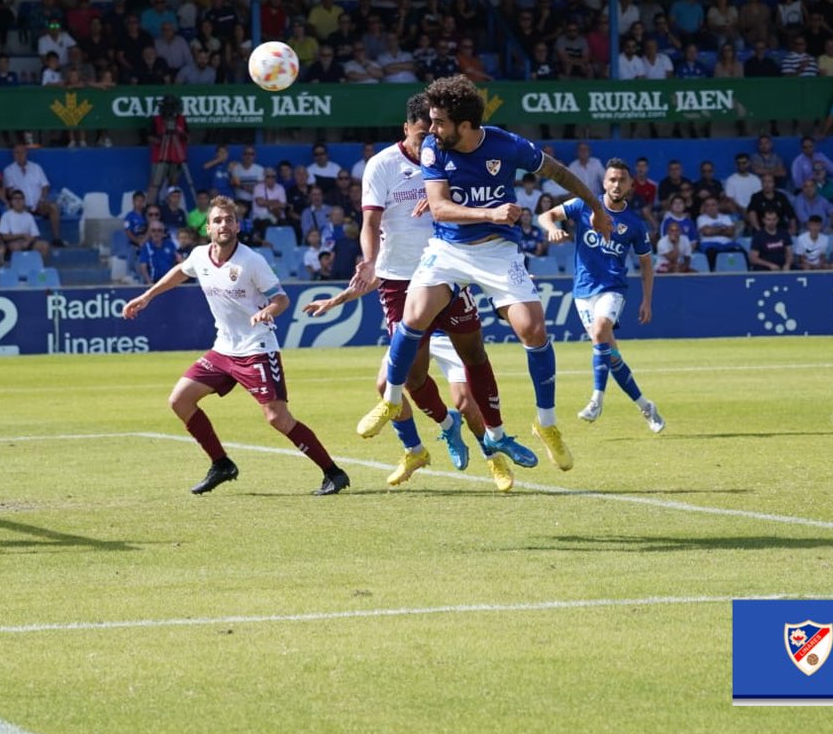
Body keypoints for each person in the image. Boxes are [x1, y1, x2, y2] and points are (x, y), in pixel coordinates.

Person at [355, 76, 610, 472]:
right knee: (414, 317)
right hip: (448, 249)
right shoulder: (432, 151)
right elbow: (439, 209)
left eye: (439, 122)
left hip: (497, 251)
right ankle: (390, 399)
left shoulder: (506, 145)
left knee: (534, 331)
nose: (432, 130)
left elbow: (558, 173)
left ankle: (547, 426)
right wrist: (490, 212)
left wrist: (595, 205)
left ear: (465, 124)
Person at [302, 94, 526, 490]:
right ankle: (434, 434)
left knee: (466, 396)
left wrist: (440, 196)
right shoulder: (382, 165)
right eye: (422, 134)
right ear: (406, 128)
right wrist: (368, 262)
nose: (429, 142)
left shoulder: (447, 155)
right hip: (399, 283)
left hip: (449, 273)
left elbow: (469, 196)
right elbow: (369, 223)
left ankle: (493, 456)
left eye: (434, 133)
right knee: (403, 377)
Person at [121, 197, 349, 496]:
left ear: (238, 226)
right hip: (224, 349)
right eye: (217, 220)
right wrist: (146, 296)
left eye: (229, 220)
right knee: (180, 400)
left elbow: (281, 298)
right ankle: (221, 464)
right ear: (208, 227)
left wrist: (268, 310)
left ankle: (333, 473)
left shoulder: (252, 261)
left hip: (257, 347)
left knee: (277, 417)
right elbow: (180, 272)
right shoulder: (200, 256)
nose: (223, 225)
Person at [540, 159, 666, 433]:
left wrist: (647, 300)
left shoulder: (634, 224)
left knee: (600, 332)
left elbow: (646, 263)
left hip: (612, 289)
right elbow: (545, 215)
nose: (616, 184)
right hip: (583, 292)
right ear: (604, 182)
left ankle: (596, 400)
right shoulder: (583, 205)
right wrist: (552, 229)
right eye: (612, 179)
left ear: (631, 185)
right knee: (611, 356)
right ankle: (646, 406)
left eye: (622, 180)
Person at [2, 143, 63, 246]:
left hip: (38, 205)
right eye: (17, 152)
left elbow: (45, 186)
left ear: (27, 153)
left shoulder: (36, 168)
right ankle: (26, 243)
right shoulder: (9, 170)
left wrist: (42, 199)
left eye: (22, 152)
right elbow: (11, 191)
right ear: (13, 154)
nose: (20, 155)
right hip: (21, 206)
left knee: (53, 208)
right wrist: (21, 204)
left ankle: (57, 239)